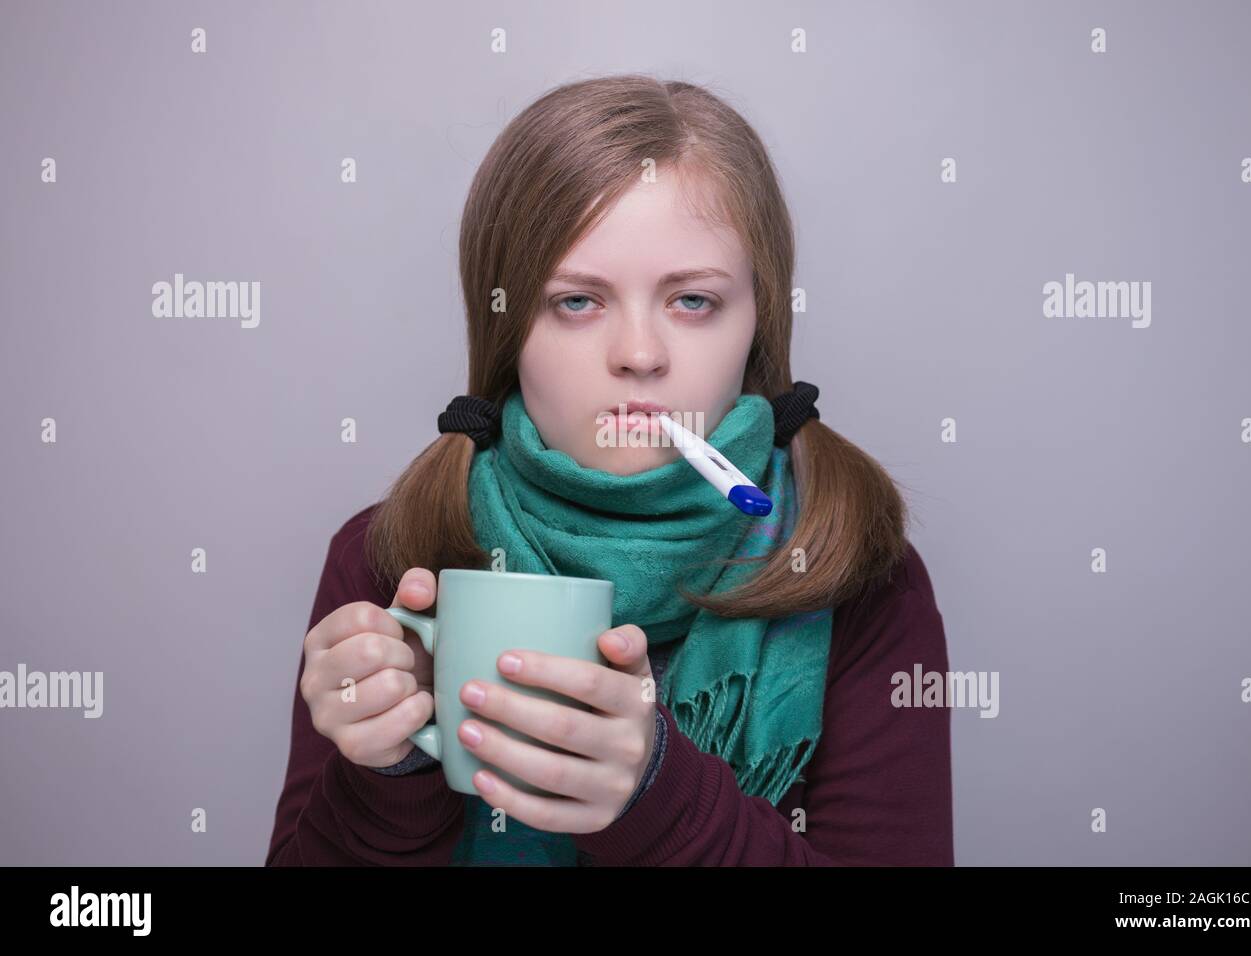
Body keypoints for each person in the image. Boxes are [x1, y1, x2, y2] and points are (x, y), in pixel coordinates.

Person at [266, 73, 953, 866]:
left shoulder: (859, 572)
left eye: (692, 301)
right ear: (505, 327)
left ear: (758, 320)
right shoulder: (387, 554)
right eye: (577, 302)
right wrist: (390, 768)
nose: (638, 355)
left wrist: (654, 796)